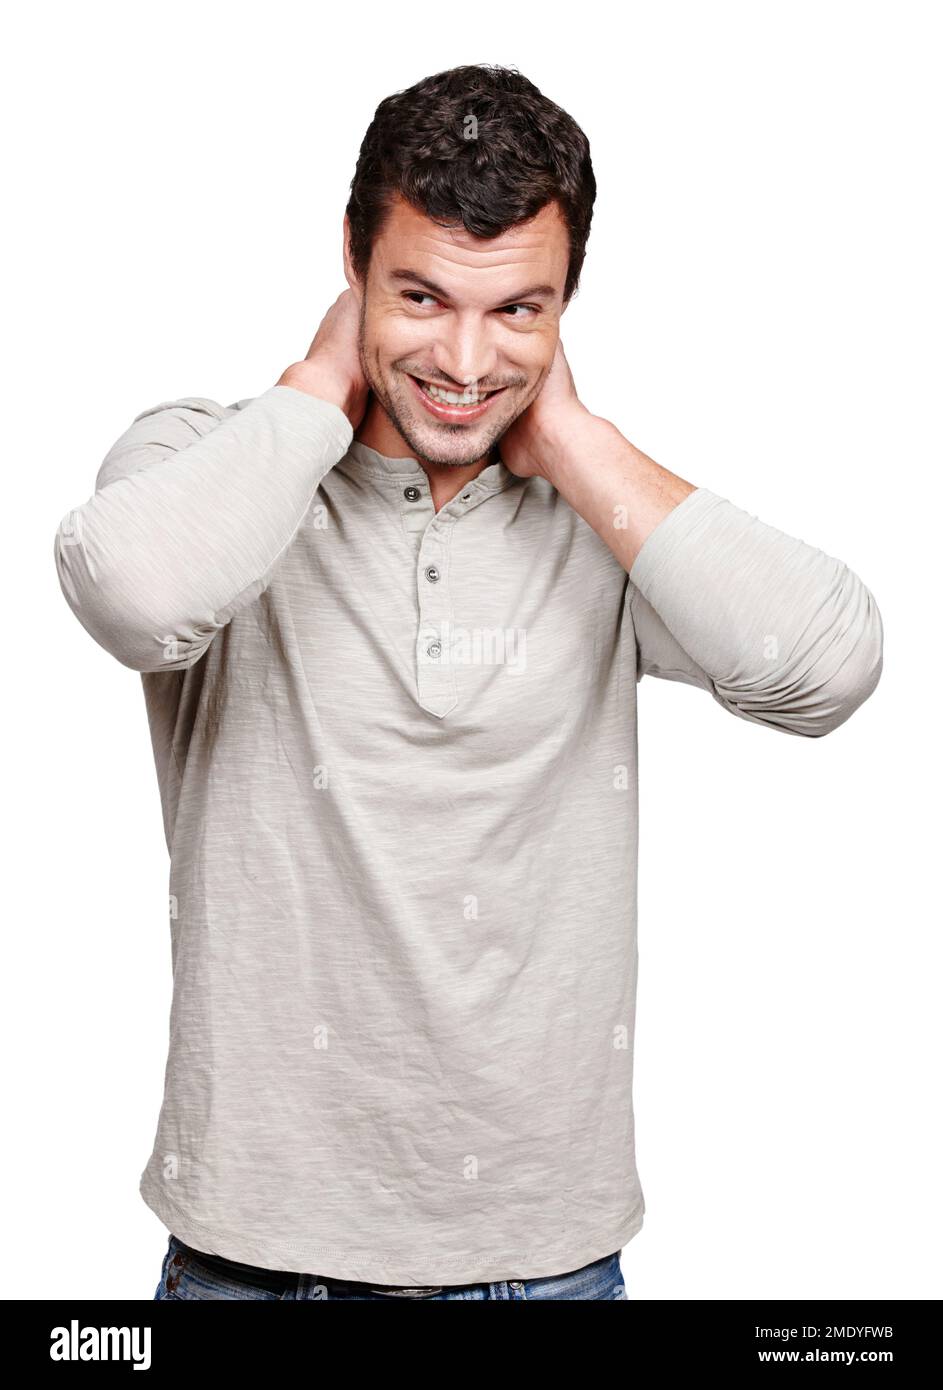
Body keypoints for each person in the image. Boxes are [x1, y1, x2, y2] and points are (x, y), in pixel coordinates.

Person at [54, 64, 884, 1302]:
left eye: (516, 312)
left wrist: (576, 445)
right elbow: (132, 594)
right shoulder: (210, 458)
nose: (461, 358)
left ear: (567, 305)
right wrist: (323, 387)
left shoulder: (594, 518)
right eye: (420, 295)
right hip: (251, 1255)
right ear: (351, 259)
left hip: (541, 1264)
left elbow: (830, 664)